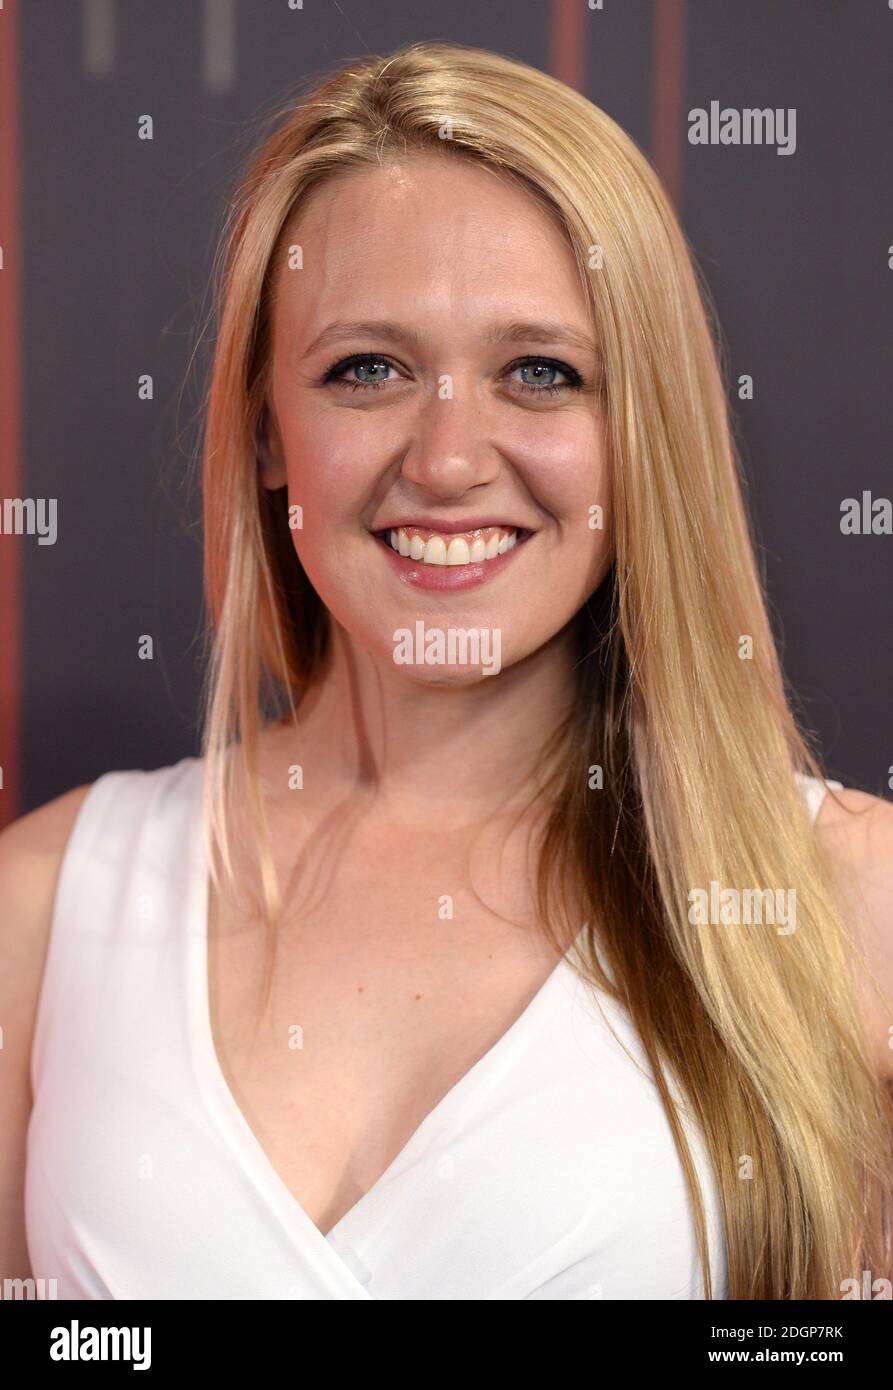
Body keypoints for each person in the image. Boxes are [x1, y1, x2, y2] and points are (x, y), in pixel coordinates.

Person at [2, 41, 891, 1301]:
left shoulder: (851, 903)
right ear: (265, 428)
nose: (448, 457)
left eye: (541, 372)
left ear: (643, 428)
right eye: (367, 368)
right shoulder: (40, 914)